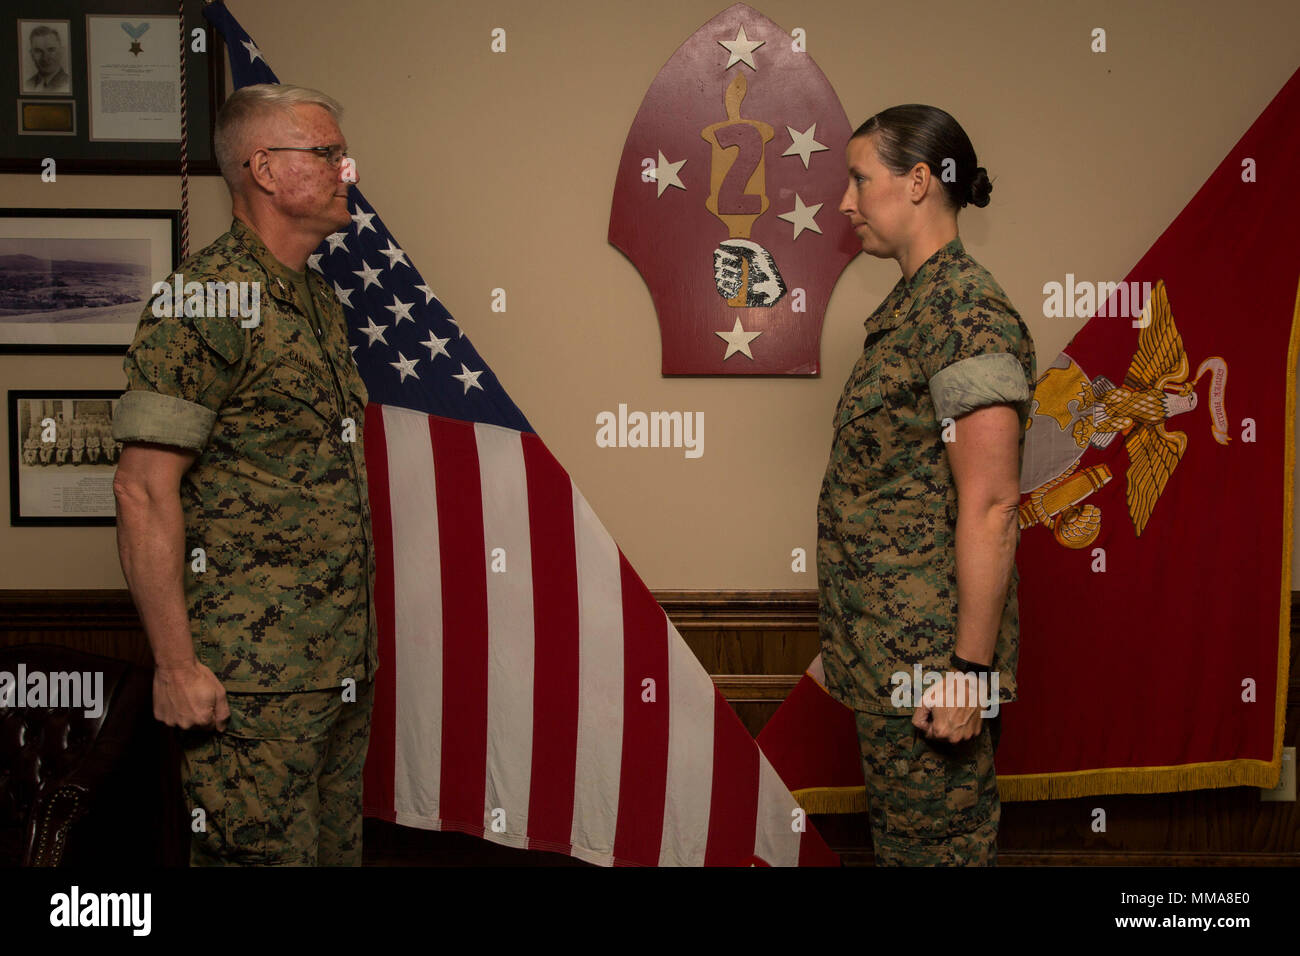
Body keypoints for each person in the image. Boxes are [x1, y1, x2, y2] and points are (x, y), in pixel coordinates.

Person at [112, 83, 376, 866]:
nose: (346, 171)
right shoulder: (204, 300)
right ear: (263, 168)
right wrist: (176, 665)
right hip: (248, 686)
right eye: (326, 154)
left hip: (335, 669)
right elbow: (142, 487)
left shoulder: (318, 300)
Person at [818, 105, 1035, 866]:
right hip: (891, 658)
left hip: (932, 668)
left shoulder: (963, 310)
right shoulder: (914, 307)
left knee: (935, 856)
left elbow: (992, 502)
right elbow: (891, 492)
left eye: (857, 178)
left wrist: (968, 675)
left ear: (917, 182)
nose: (844, 202)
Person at [26, 25, 71, 94]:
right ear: (32, 55)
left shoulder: (68, 83)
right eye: (38, 51)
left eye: (51, 50)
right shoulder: (27, 84)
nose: (45, 58)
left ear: (61, 51)